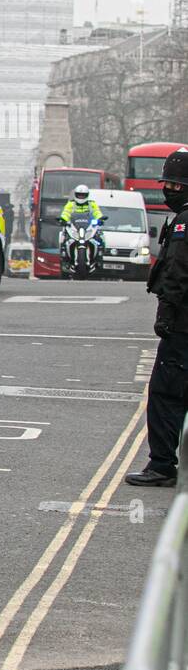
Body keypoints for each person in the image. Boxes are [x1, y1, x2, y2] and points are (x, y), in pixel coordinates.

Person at [130, 148, 188, 487]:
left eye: (175, 185)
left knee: (166, 394)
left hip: (182, 326)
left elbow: (177, 272)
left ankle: (162, 464)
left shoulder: (183, 221)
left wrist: (166, 314)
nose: (168, 189)